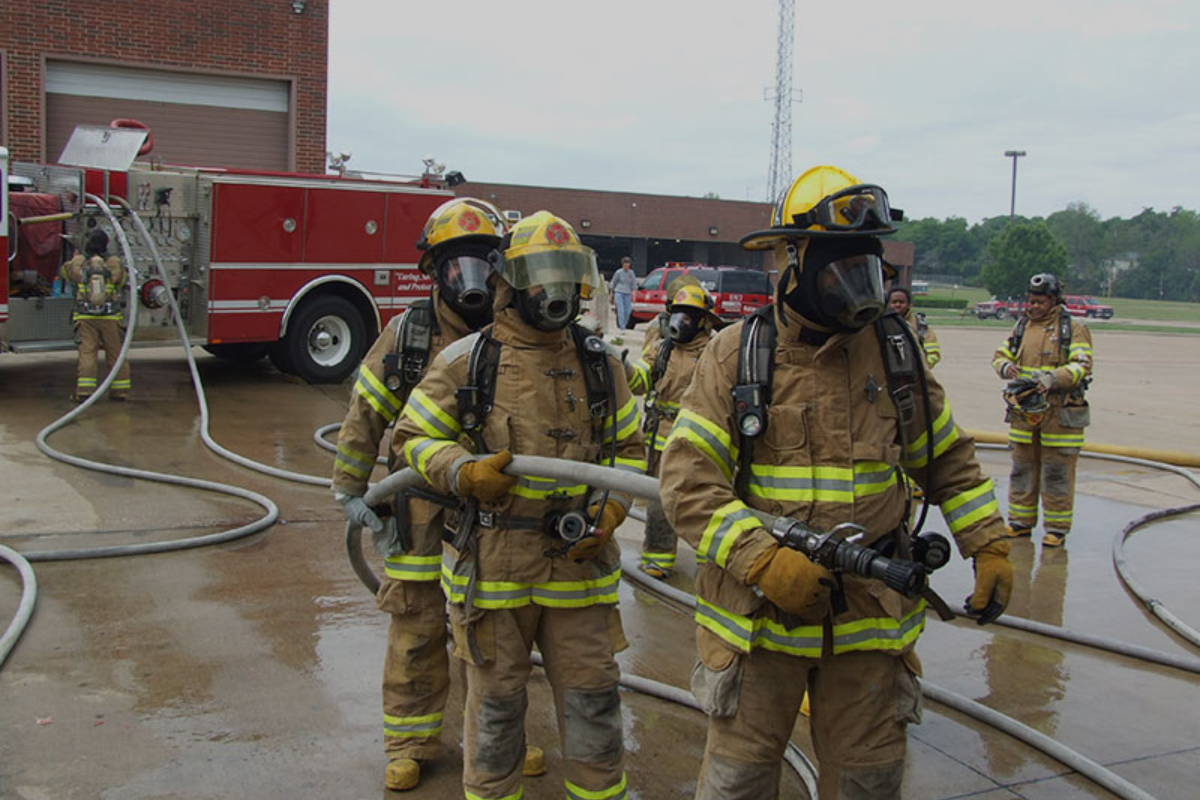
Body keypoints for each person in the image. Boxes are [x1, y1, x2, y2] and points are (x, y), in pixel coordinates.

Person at [659, 165, 1014, 800]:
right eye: (841, 267)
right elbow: (687, 481)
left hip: (871, 628)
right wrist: (761, 560)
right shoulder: (736, 354)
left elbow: (946, 460)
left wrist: (987, 541)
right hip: (758, 625)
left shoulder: (895, 351)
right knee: (738, 780)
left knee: (868, 781)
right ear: (794, 263)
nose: (861, 287)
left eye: (868, 266)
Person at [393, 210, 645, 800]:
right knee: (496, 713)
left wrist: (609, 512)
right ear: (510, 281)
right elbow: (412, 440)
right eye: (541, 276)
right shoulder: (466, 361)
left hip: (579, 571)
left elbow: (631, 451)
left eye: (564, 277)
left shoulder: (602, 365)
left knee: (594, 708)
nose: (553, 293)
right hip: (494, 568)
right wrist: (462, 471)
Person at [331, 198, 545, 792]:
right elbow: (365, 413)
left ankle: (504, 741)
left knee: (499, 634)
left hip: (496, 509)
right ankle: (411, 740)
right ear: (433, 271)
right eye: (455, 265)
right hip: (421, 504)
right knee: (418, 624)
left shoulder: (519, 335)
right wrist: (351, 491)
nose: (469, 280)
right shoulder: (408, 335)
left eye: (481, 263)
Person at [628, 278, 722, 578]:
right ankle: (658, 560)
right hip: (660, 438)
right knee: (658, 502)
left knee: (705, 502)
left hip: (699, 443)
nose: (681, 321)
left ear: (703, 322)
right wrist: (621, 367)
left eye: (689, 316)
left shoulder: (715, 352)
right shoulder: (661, 349)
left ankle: (714, 565)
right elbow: (640, 381)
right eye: (677, 313)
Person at [991, 273, 1093, 548]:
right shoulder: (1022, 326)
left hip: (1060, 415)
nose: (1033, 307)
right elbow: (1000, 355)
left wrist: (1053, 379)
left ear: (1053, 300)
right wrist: (1004, 367)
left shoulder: (1073, 328)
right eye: (1030, 301)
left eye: (1039, 302)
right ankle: (1020, 522)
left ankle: (1057, 529)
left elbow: (1082, 365)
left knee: (1057, 472)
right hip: (1025, 413)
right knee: (1022, 469)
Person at [62, 229, 130, 401]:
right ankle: (119, 391)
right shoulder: (113, 262)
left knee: (87, 353)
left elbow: (65, 274)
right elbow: (122, 281)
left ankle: (85, 391)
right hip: (111, 317)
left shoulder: (79, 262)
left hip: (86, 317)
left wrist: (75, 258)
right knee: (116, 353)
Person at [887, 285, 941, 368]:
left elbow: (933, 353)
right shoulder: (879, 323)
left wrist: (922, 368)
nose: (897, 305)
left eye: (901, 302)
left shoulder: (920, 325)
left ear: (909, 304)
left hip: (915, 374)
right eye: (894, 302)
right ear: (888, 304)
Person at [610, 255, 638, 332]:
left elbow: (634, 284)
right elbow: (613, 283)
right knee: (621, 310)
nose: (627, 266)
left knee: (628, 311)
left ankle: (624, 325)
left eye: (628, 265)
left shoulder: (631, 273)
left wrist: (634, 295)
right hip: (619, 292)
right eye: (625, 265)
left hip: (627, 293)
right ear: (623, 265)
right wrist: (611, 294)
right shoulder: (618, 272)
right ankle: (622, 328)